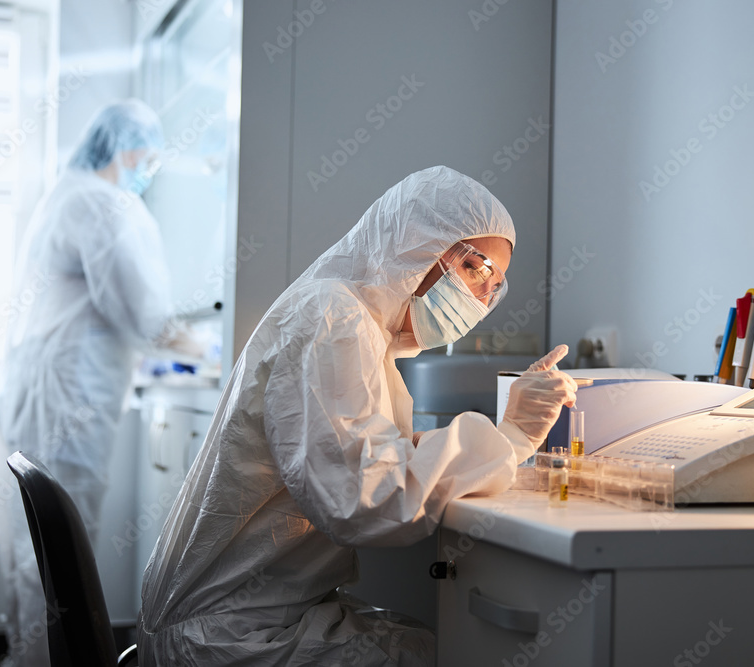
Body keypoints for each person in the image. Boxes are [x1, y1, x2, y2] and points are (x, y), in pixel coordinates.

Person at [138, 165, 577, 666]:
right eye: (476, 268)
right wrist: (512, 436)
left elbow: (368, 458)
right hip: (229, 637)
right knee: (454, 653)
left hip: (245, 616)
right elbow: (365, 498)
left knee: (435, 644)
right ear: (416, 241)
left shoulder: (361, 330)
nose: (481, 297)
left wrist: (497, 441)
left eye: (494, 285)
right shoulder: (332, 317)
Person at [0, 99, 197, 667]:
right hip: (65, 400)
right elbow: (145, 313)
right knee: (59, 548)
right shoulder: (101, 204)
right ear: (126, 149)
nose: (148, 169)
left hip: (42, 391)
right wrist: (204, 347)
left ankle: (32, 659)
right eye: (147, 157)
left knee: (36, 546)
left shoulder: (69, 194)